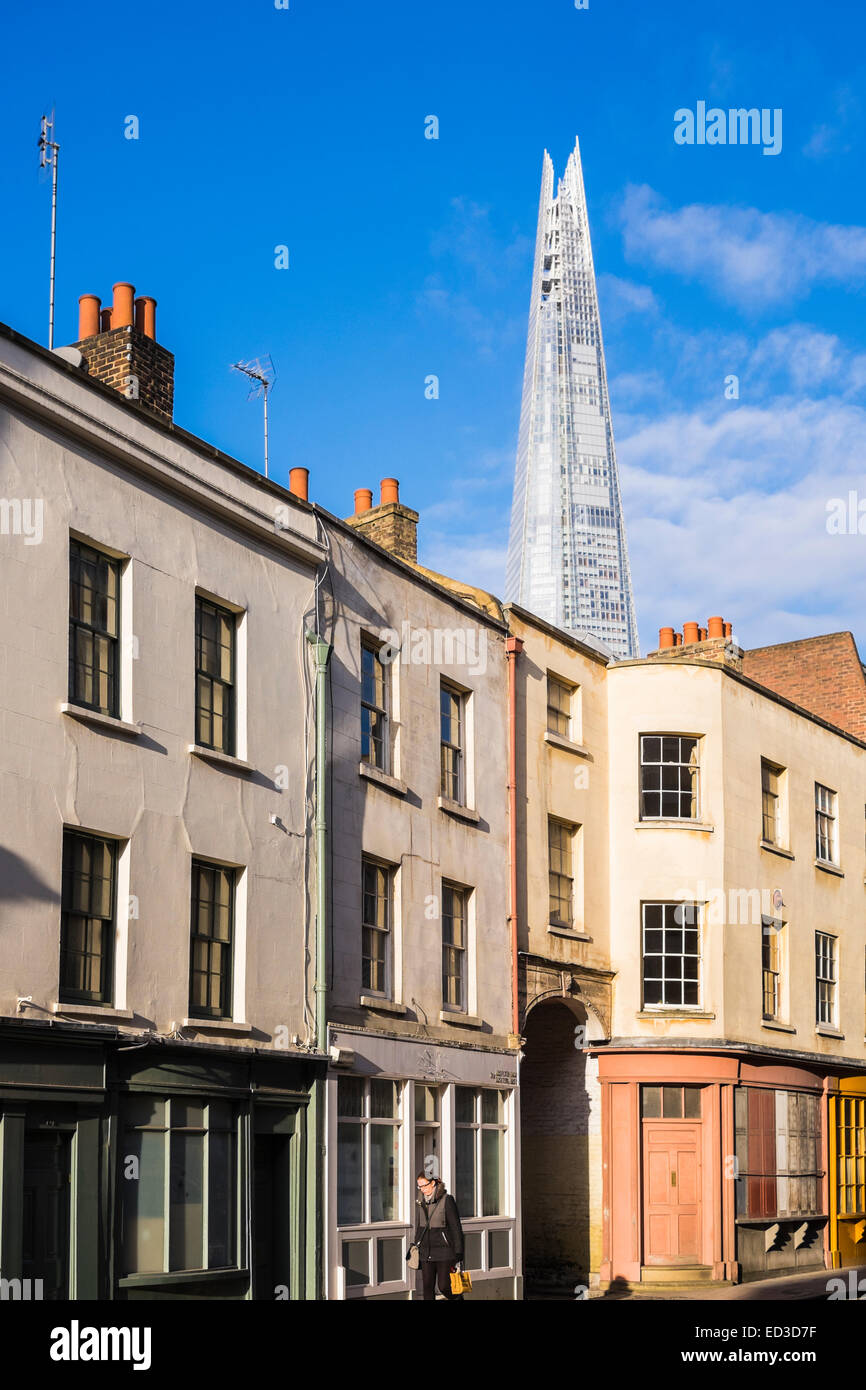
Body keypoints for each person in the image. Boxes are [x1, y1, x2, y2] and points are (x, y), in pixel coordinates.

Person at [411, 1171, 466, 1300]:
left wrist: (459, 1251)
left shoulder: (447, 1200)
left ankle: (458, 1298)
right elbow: (420, 1227)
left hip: (445, 1252)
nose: (422, 1189)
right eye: (419, 1186)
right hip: (426, 1252)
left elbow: (456, 1228)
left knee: (444, 1286)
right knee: (427, 1287)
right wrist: (416, 1246)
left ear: (433, 1183)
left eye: (424, 1185)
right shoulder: (421, 1202)